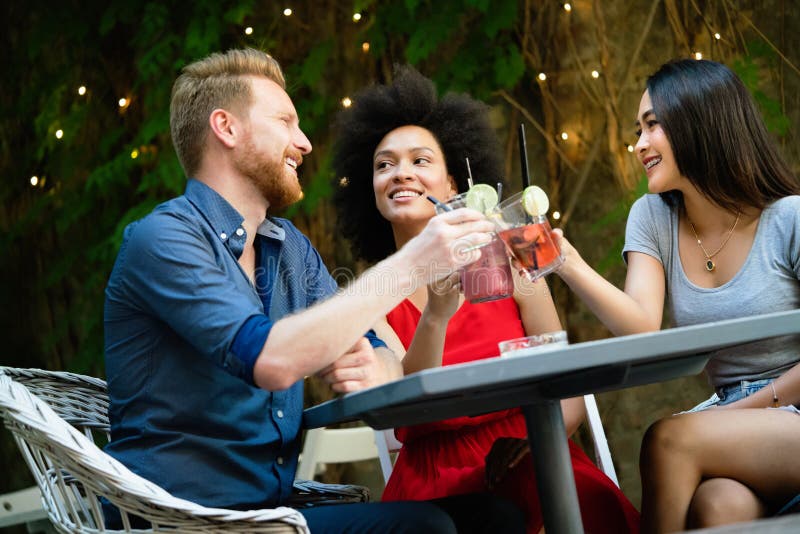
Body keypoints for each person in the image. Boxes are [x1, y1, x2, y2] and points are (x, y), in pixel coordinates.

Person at [102, 48, 528, 534]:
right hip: (181, 521)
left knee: (496, 518)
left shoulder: (290, 250)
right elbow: (270, 360)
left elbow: (385, 355)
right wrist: (412, 264)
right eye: (285, 121)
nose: (303, 143)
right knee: (427, 528)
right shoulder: (164, 239)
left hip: (270, 512)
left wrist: (376, 362)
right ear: (226, 127)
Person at [332, 65, 640, 534]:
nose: (400, 174)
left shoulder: (508, 256)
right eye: (384, 164)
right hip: (435, 479)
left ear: (454, 185)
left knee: (584, 501)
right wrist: (435, 315)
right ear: (372, 190)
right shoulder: (372, 292)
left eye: (420, 161)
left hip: (532, 451)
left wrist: (537, 445)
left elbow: (569, 391)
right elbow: (405, 404)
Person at [549, 58, 800, 532]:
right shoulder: (654, 216)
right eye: (637, 130)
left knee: (667, 438)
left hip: (785, 410)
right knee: (718, 508)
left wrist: (738, 411)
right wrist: (567, 262)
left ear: (700, 123)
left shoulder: (789, 219)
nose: (639, 144)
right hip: (732, 424)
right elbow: (641, 324)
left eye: (652, 125)